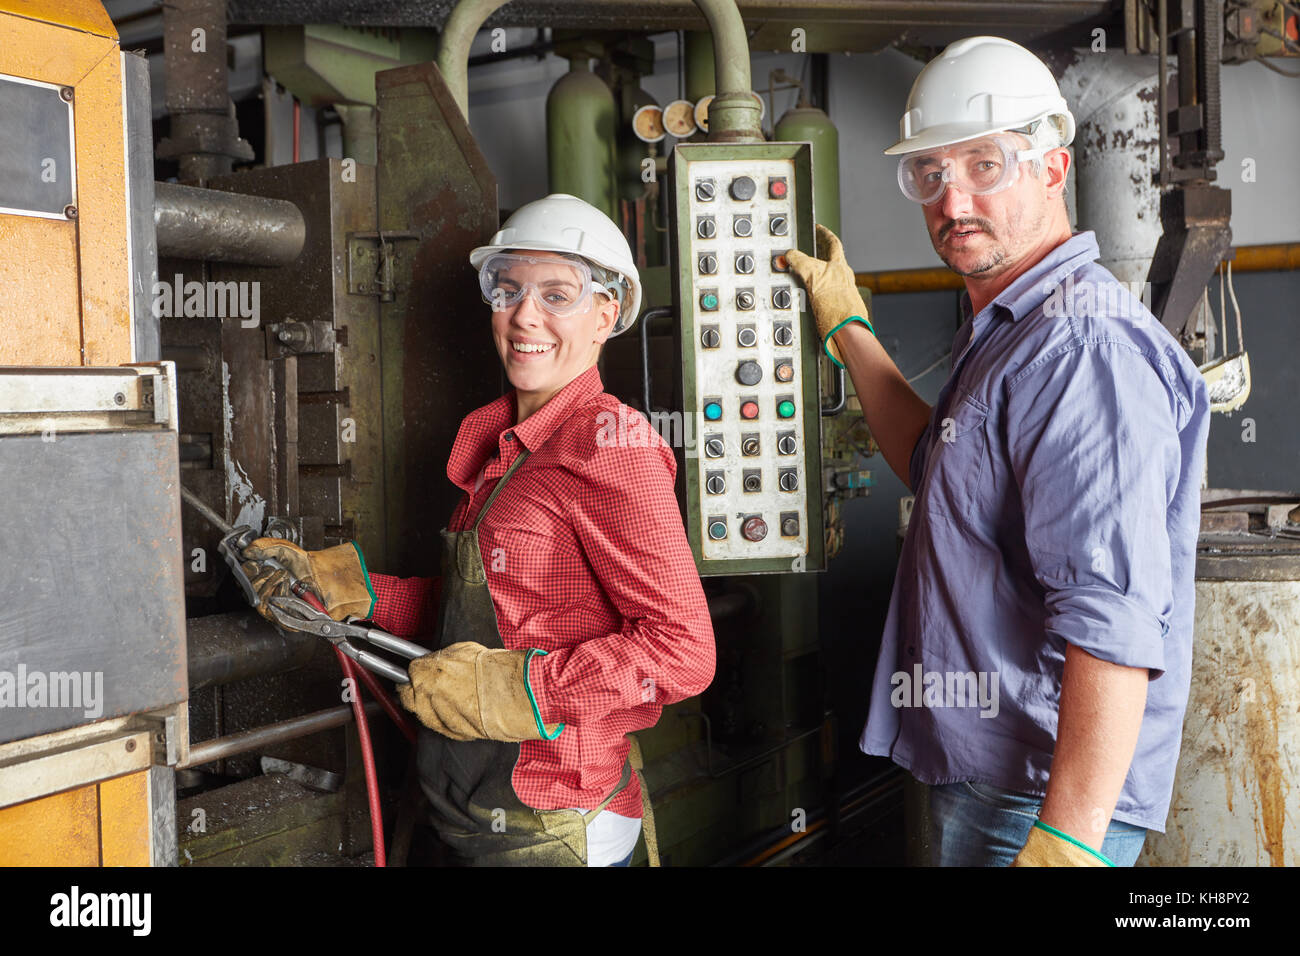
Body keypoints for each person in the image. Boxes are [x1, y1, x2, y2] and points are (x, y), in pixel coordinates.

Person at [786, 36, 1209, 867]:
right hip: (987, 781)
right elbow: (937, 468)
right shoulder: (1012, 332)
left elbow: (1112, 615)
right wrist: (850, 329)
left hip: (1035, 800)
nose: (953, 200)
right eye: (930, 174)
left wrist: (1067, 840)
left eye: (985, 164)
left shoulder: (1082, 349)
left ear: (1053, 169)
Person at [243, 193, 716, 867]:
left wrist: (520, 689)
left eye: (559, 294)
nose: (526, 316)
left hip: (552, 813)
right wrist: (350, 590)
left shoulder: (611, 444)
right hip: (470, 803)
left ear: (606, 314)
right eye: (509, 289)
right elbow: (484, 611)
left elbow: (683, 652)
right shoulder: (507, 448)